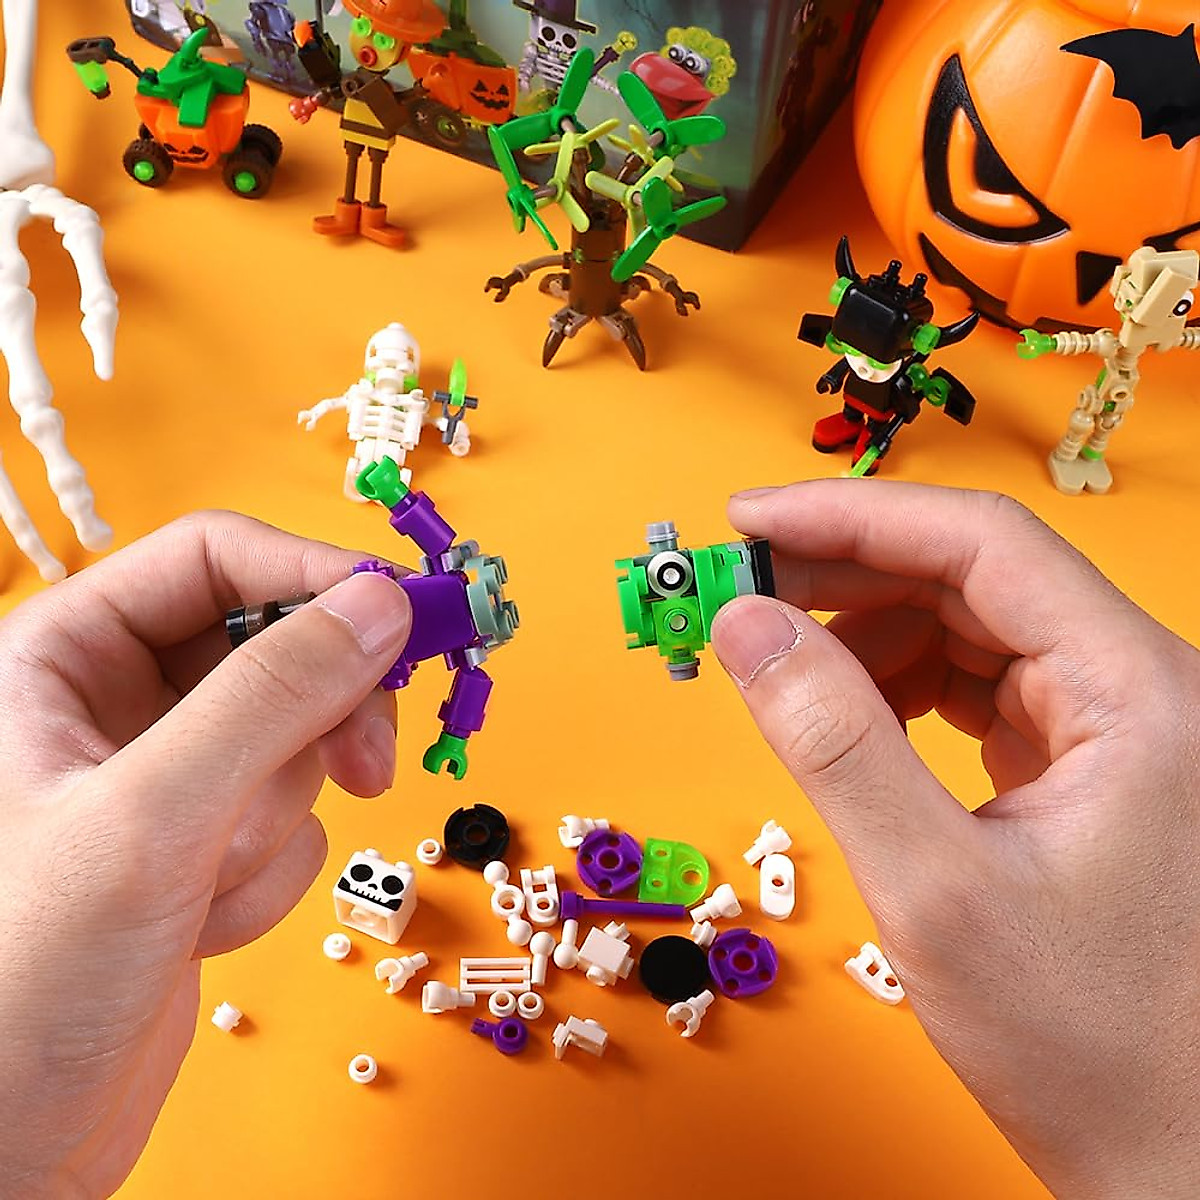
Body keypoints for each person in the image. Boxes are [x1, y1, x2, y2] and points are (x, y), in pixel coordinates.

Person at [0, 483, 1196, 1198]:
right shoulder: (417, 595)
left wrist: (456, 736)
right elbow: (425, 544)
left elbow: (459, 655)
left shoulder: (460, 620)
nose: (479, 606)